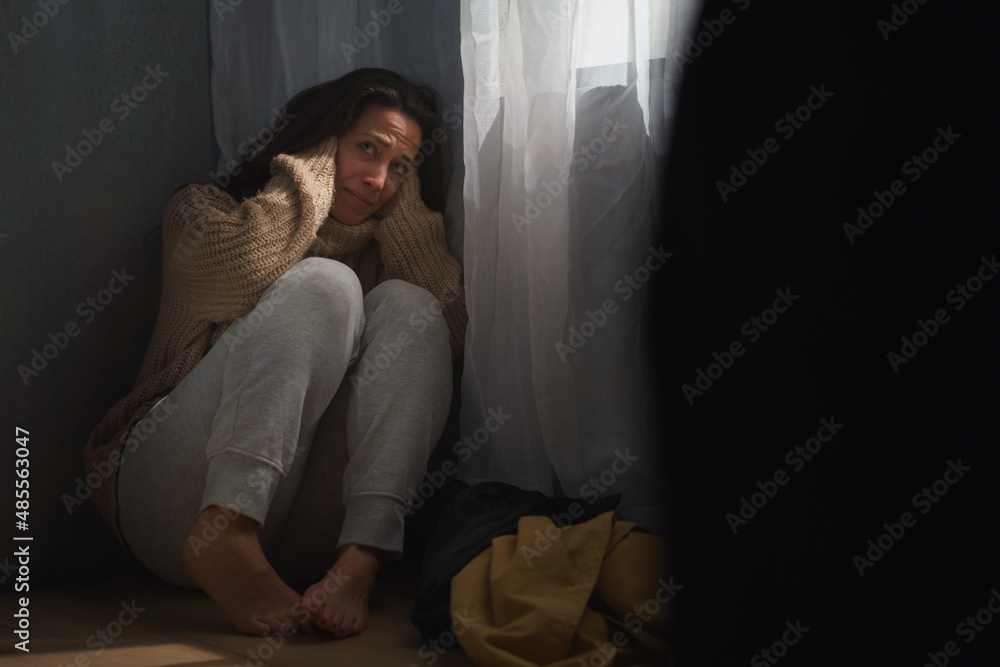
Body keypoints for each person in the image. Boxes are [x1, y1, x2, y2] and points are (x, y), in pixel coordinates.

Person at [83, 68, 468, 639]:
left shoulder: (386, 248)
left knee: (414, 308)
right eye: (367, 148)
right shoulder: (203, 211)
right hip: (169, 501)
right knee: (326, 282)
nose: (378, 179)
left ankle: (362, 556)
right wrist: (313, 175)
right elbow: (236, 272)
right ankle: (226, 527)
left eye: (401, 169)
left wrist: (402, 204)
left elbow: (452, 335)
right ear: (320, 141)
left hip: (300, 543)